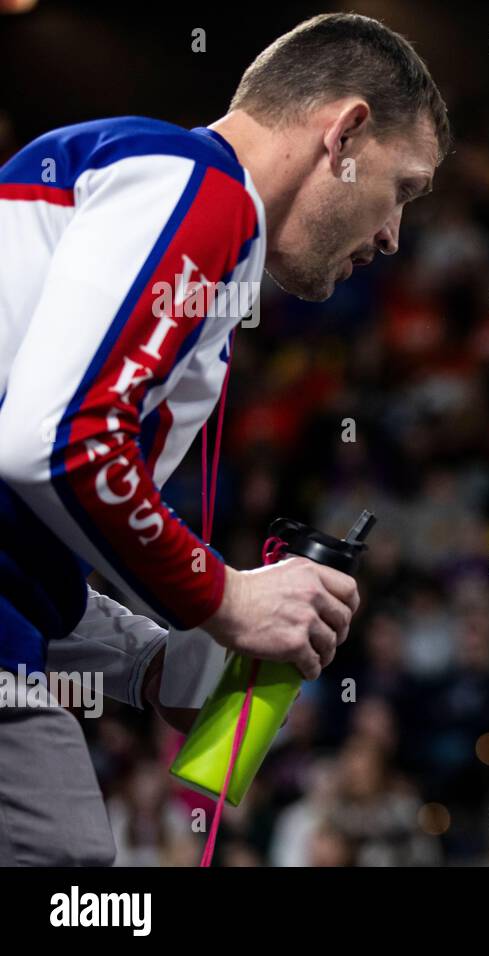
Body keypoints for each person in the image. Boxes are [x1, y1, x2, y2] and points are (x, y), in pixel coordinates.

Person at [0, 12, 450, 866]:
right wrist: (226, 597)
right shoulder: (198, 186)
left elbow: (23, 540)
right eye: (404, 188)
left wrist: (149, 661)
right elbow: (54, 444)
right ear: (346, 130)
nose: (395, 234)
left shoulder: (148, 193)